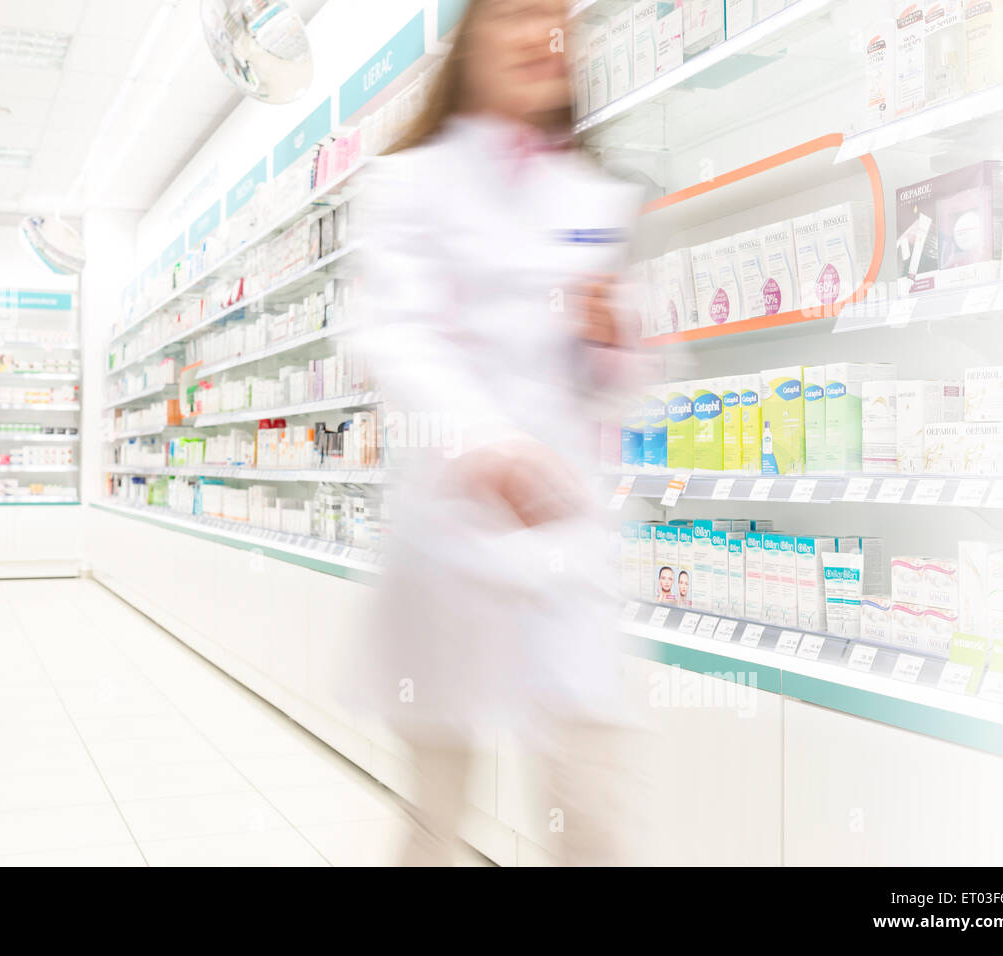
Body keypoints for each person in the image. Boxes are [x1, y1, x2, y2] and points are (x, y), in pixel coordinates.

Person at [350, 0, 656, 866]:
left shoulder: (591, 193)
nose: (543, 37)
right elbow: (394, 335)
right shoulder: (409, 184)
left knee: (591, 810)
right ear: (471, 44)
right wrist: (485, 445)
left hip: (561, 547)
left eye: (561, 21)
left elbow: (615, 386)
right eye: (520, 15)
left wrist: (610, 343)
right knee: (435, 813)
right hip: (452, 540)